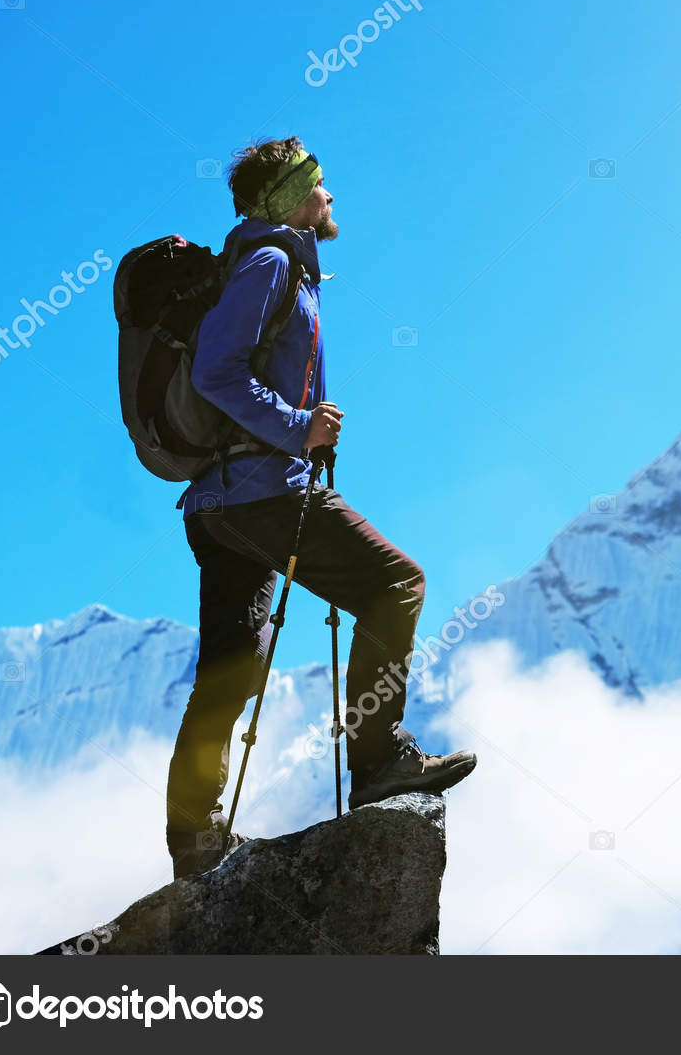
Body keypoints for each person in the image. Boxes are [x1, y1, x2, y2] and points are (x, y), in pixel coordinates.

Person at [163, 136, 475, 879]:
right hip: (263, 488)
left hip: (218, 503)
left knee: (232, 663)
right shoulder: (272, 262)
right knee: (394, 583)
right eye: (318, 183)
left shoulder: (269, 262)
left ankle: (194, 840)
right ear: (288, 198)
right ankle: (378, 763)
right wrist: (296, 426)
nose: (330, 195)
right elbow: (215, 370)